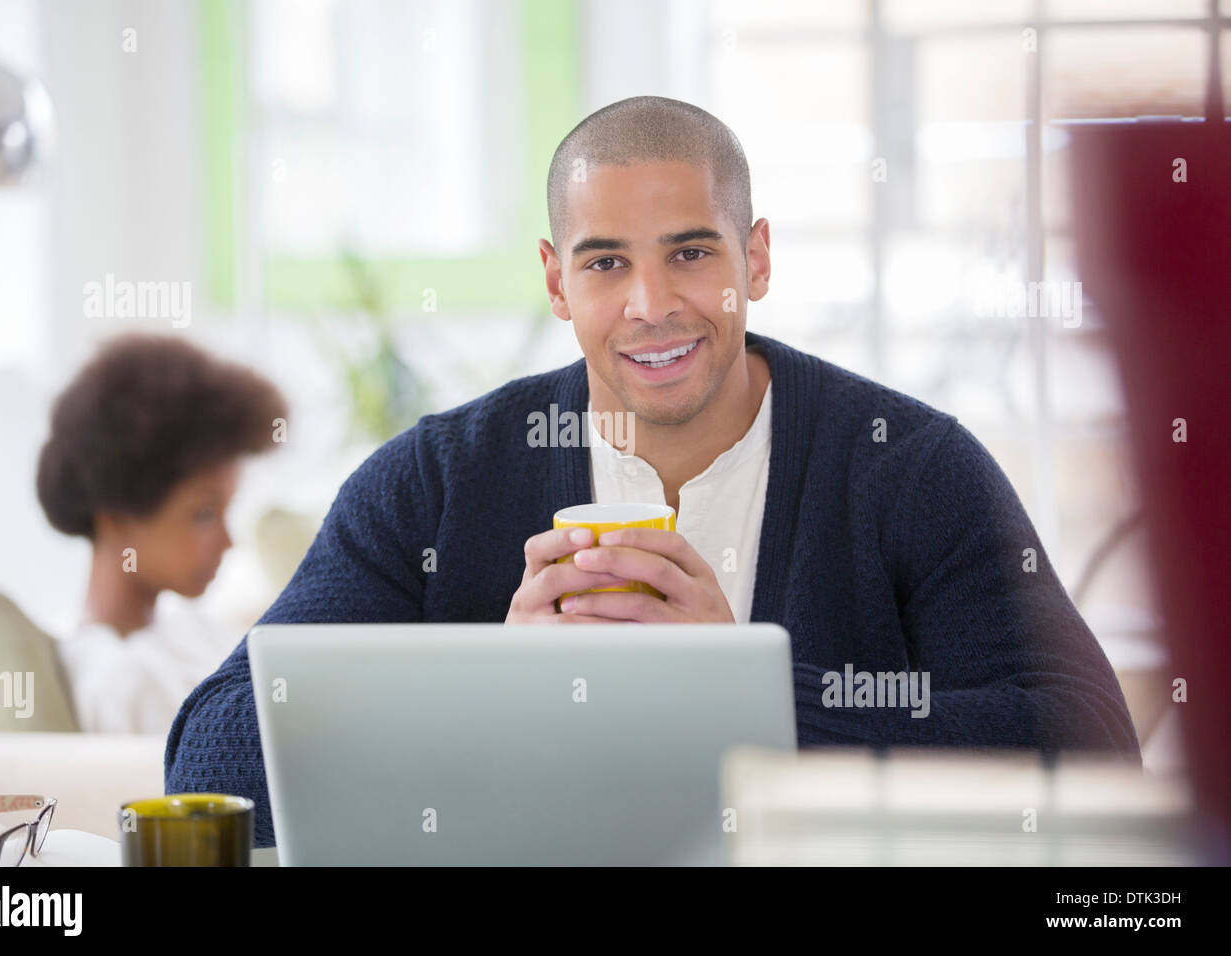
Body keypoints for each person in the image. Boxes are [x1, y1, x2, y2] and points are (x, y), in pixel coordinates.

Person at [166, 96, 1140, 847]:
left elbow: (1089, 746)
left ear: (753, 259)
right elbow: (205, 766)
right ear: (555, 280)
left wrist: (744, 697)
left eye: (688, 252)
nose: (649, 304)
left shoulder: (907, 468)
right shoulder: (434, 481)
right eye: (604, 264)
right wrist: (492, 687)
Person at [36, 333, 288, 733]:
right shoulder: (117, 681)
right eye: (204, 514)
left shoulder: (189, 628)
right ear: (116, 515)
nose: (228, 542)